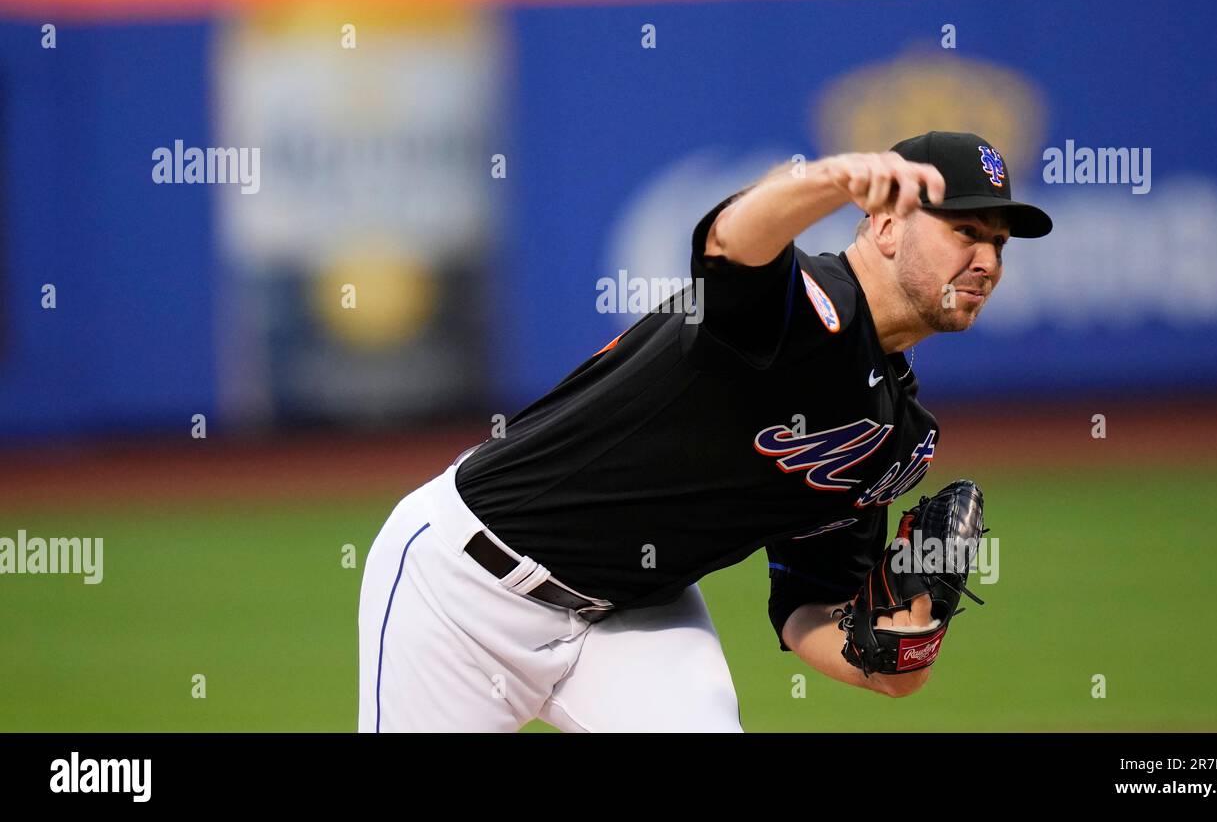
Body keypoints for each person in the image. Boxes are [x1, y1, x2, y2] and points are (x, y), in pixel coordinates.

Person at [358, 130, 1052, 732]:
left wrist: (889, 658)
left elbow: (809, 604)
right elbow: (731, 242)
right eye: (965, 231)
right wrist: (827, 178)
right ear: (885, 225)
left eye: (997, 242)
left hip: (635, 613)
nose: (987, 261)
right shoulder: (797, 309)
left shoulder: (894, 434)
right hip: (460, 586)